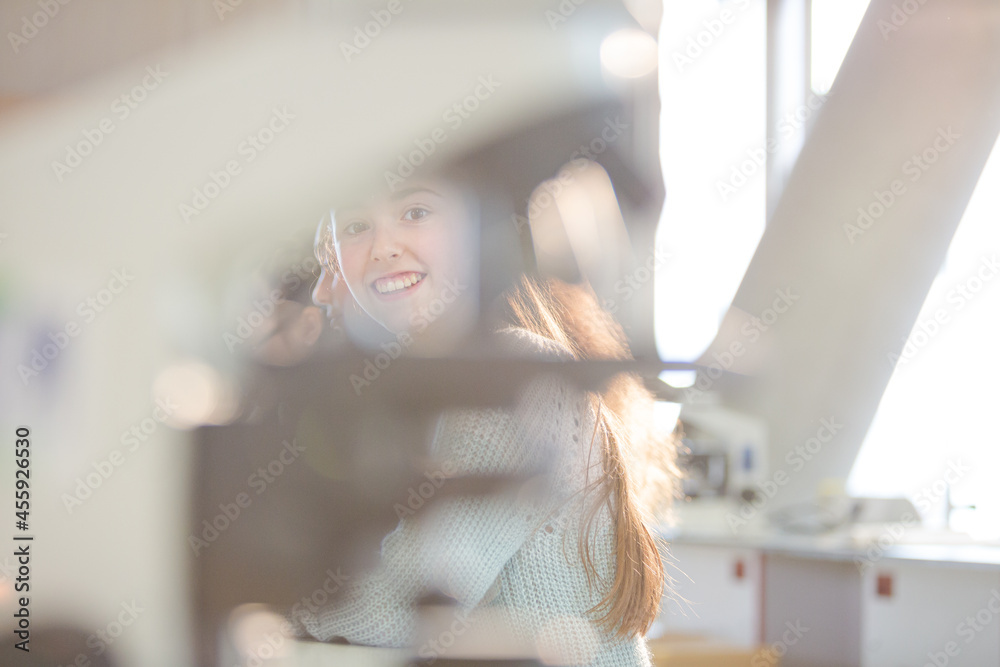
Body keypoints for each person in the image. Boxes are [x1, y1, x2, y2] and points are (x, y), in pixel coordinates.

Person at [287, 175, 679, 667]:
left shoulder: (514, 380)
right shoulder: (418, 395)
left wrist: (265, 599)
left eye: (415, 212)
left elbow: (401, 605)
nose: (384, 247)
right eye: (356, 224)